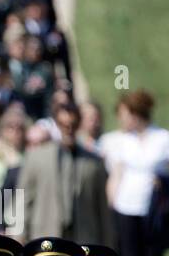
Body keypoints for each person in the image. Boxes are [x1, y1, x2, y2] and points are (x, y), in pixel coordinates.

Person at [98, 89, 169, 256]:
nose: (121, 119)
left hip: (152, 211)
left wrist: (162, 181)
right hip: (125, 208)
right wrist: (110, 203)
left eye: (125, 114)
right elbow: (116, 173)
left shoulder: (162, 138)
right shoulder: (121, 141)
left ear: (136, 113)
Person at [20, 101, 113, 246]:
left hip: (83, 240)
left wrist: (108, 246)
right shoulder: (36, 157)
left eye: (73, 125)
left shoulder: (94, 162)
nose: (69, 129)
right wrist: (18, 234)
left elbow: (103, 209)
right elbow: (23, 198)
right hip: (45, 237)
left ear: (79, 124)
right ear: (57, 124)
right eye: (64, 125)